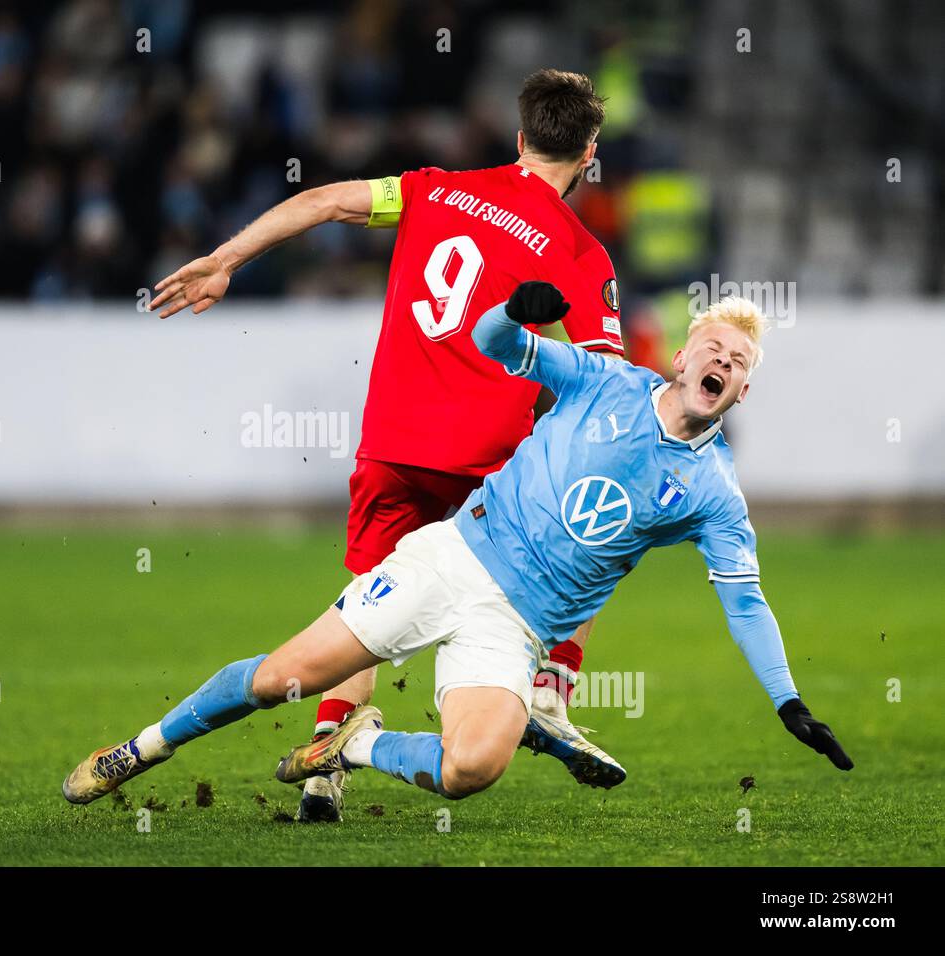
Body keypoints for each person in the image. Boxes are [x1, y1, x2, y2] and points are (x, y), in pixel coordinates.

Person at [62, 289, 852, 807]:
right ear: (681, 355)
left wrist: (787, 699)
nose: (722, 360)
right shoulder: (603, 379)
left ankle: (362, 741)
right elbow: (493, 342)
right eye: (713, 346)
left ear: (744, 391)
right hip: (451, 560)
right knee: (280, 679)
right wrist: (517, 311)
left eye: (739, 361)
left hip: (514, 630)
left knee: (471, 769)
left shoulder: (716, 492)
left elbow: (744, 599)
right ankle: (139, 749)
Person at [150, 69, 628, 821]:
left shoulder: (431, 188)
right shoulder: (579, 252)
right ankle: (548, 697)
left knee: (365, 616)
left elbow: (322, 201)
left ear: (519, 138)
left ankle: (323, 769)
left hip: (395, 446)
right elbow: (606, 382)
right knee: (593, 534)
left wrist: (227, 260)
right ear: (589, 153)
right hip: (490, 467)